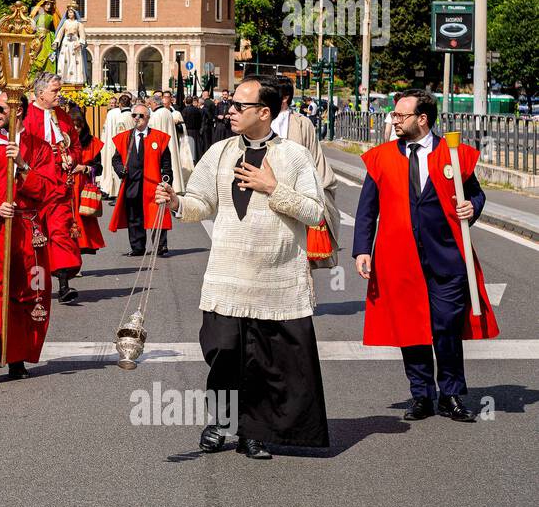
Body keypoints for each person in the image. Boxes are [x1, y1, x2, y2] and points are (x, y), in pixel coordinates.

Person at [155, 78, 329, 460]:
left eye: (238, 106)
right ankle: (222, 420)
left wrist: (273, 188)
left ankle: (254, 431)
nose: (229, 111)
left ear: (264, 113)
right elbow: (201, 201)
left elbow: (316, 213)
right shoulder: (218, 152)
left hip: (275, 276)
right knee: (223, 350)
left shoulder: (294, 157)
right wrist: (175, 201)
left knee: (265, 361)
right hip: (228, 273)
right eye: (230, 105)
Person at [353, 89, 498, 422]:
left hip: (446, 256)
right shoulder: (382, 157)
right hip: (398, 258)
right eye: (394, 115)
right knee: (410, 328)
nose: (394, 120)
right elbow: (367, 209)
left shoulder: (453, 154)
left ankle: (451, 394)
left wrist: (470, 207)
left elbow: (475, 195)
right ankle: (421, 394)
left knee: (446, 326)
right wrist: (362, 249)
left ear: (423, 119)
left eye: (401, 116)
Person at [0, 92, 60, 382]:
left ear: (20, 111)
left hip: (29, 234)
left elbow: (49, 190)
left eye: (3, 108)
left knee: (28, 295)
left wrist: (24, 166)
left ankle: (18, 355)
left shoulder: (39, 149)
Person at [21, 72, 84, 303]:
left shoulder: (63, 117)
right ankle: (36, 288)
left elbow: (76, 145)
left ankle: (64, 285)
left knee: (60, 233)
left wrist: (73, 159)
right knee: (37, 237)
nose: (60, 95)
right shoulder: (27, 118)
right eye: (55, 91)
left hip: (60, 187)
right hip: (36, 187)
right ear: (40, 94)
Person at [268, 75, 341, 270]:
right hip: (265, 198)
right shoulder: (259, 119)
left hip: (296, 200)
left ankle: (302, 299)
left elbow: (317, 161)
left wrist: (320, 198)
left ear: (284, 97)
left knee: (298, 259)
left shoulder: (302, 124)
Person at [110, 103, 172, 256]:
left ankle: (160, 246)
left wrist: (167, 181)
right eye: (134, 115)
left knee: (157, 215)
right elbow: (116, 160)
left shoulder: (159, 137)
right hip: (132, 182)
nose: (137, 118)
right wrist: (120, 170)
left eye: (141, 116)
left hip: (153, 184)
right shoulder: (125, 137)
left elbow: (166, 162)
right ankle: (137, 247)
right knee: (134, 216)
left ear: (148, 118)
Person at [70, 107, 105, 254]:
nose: (76, 129)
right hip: (65, 188)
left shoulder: (92, 142)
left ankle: (77, 257)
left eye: (79, 125)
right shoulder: (62, 142)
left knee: (82, 224)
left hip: (83, 189)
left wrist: (84, 168)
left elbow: (99, 167)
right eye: (73, 126)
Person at [150, 91, 190, 191]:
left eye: (150, 104)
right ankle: (176, 186)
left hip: (160, 145)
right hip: (170, 143)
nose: (150, 106)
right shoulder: (167, 112)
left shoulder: (155, 115)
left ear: (155, 103)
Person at [100, 93, 133, 203]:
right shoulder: (133, 115)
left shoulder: (120, 117)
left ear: (120, 104)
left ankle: (120, 195)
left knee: (120, 171)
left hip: (122, 147)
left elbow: (120, 135)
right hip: (133, 146)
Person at [182, 96, 205, 163]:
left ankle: (190, 160)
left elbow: (183, 121)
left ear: (186, 102)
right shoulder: (197, 110)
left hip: (188, 131)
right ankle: (196, 160)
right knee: (196, 147)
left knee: (189, 146)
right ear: (192, 102)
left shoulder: (184, 110)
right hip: (196, 131)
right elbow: (201, 120)